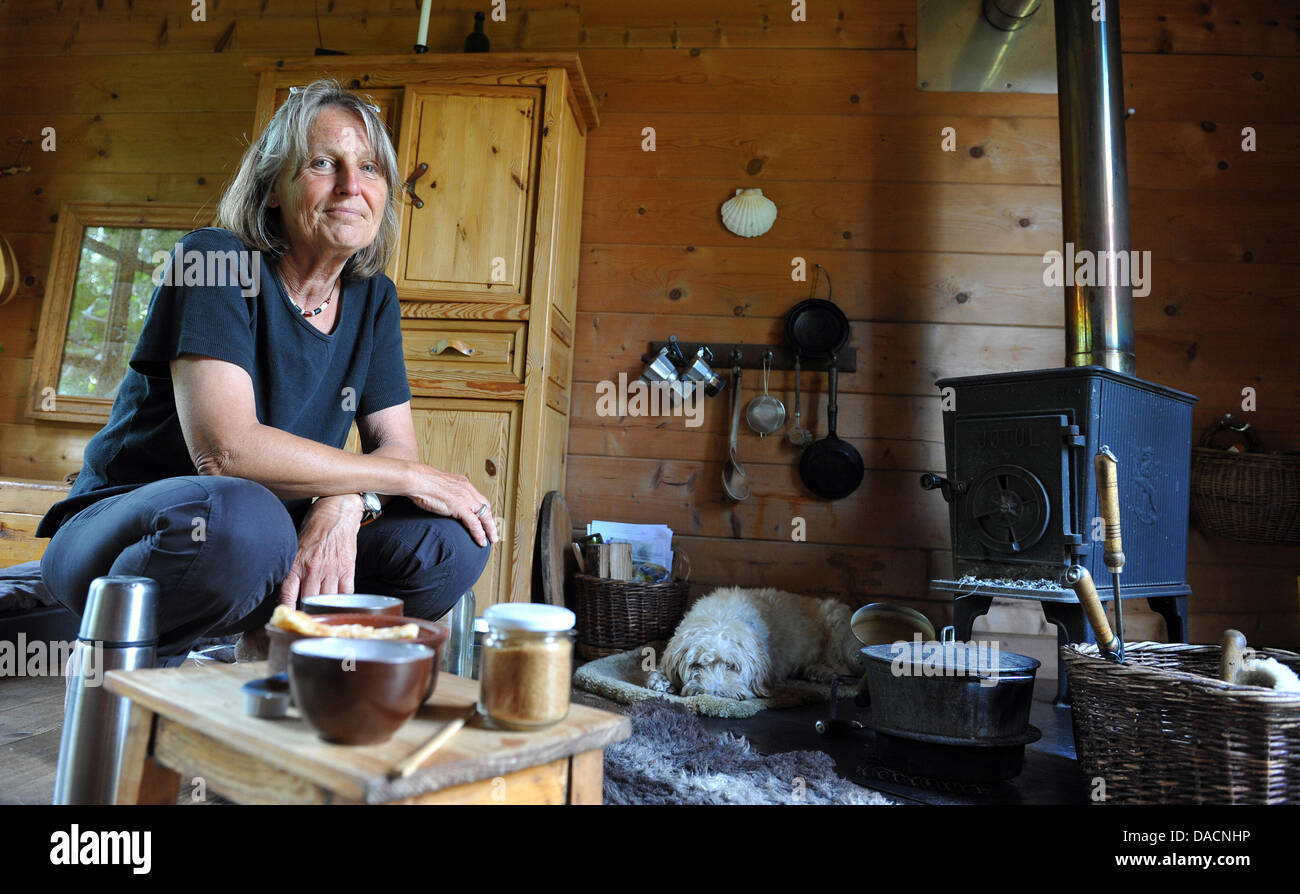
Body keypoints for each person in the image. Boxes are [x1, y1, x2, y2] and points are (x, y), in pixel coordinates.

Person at [37, 80, 497, 666]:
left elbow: (394, 447)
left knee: (447, 541)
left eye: (371, 168)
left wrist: (348, 500)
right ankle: (124, 667)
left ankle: (277, 652)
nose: (352, 187)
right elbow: (227, 454)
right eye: (324, 164)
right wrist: (395, 478)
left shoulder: (372, 297)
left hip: (270, 540)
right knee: (245, 517)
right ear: (274, 187)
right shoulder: (214, 261)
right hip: (132, 531)